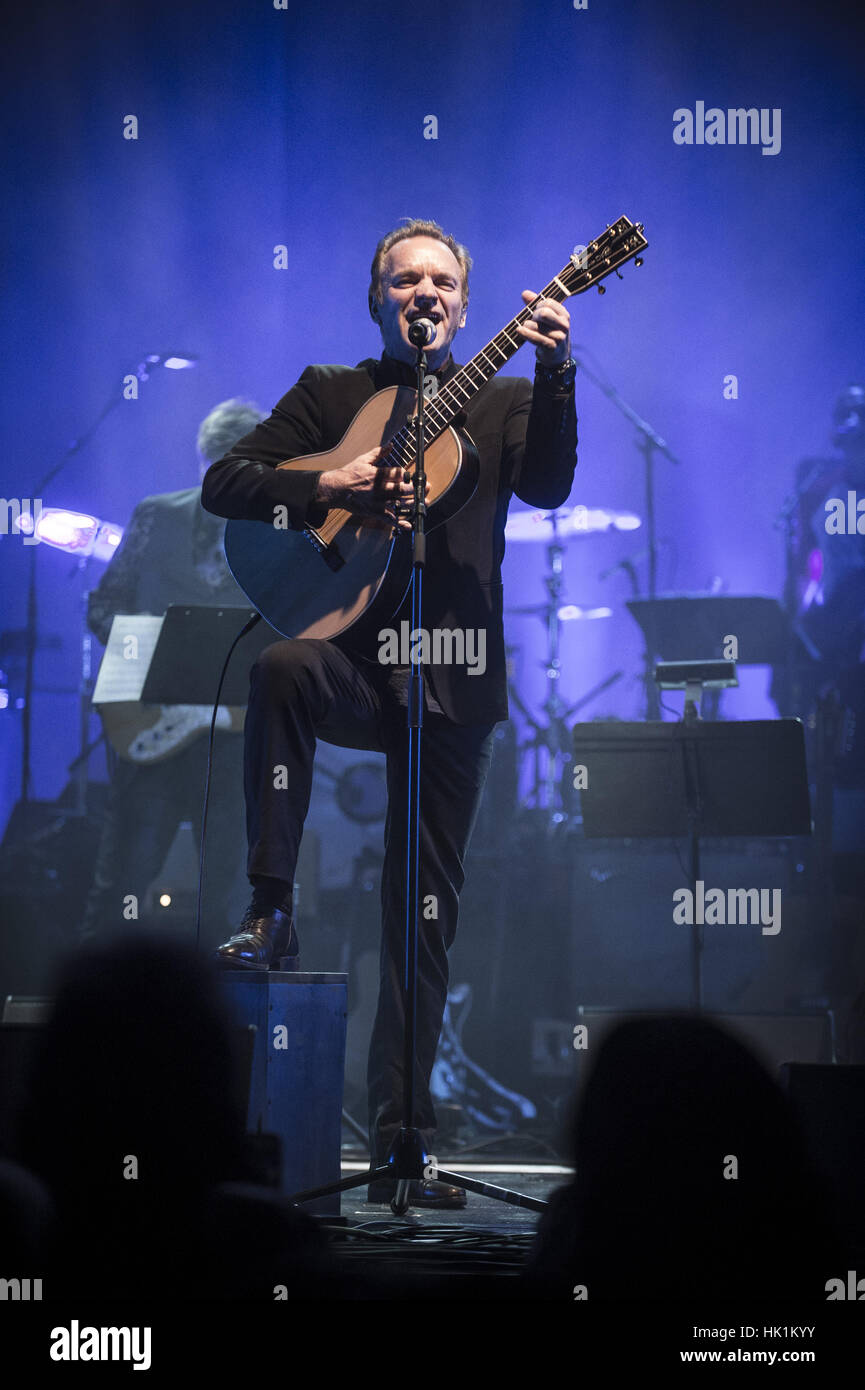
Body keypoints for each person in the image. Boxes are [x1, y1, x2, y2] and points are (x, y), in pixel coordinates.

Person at [202, 218, 577, 1206]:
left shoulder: (496, 402)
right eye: (404, 278)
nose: (425, 291)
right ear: (377, 299)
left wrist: (556, 370)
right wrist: (324, 483)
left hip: (450, 680)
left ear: (463, 300)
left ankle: (405, 1137)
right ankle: (269, 907)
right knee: (282, 667)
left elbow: (547, 486)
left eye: (442, 279)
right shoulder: (331, 392)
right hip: (355, 663)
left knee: (418, 915)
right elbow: (224, 483)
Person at [79, 398, 264, 949]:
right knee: (125, 875)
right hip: (148, 722)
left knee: (228, 887)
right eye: (223, 466)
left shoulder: (273, 538)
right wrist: (163, 656)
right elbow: (103, 607)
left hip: (230, 737)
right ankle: (95, 1003)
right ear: (204, 462)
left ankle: (219, 1013)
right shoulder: (156, 514)